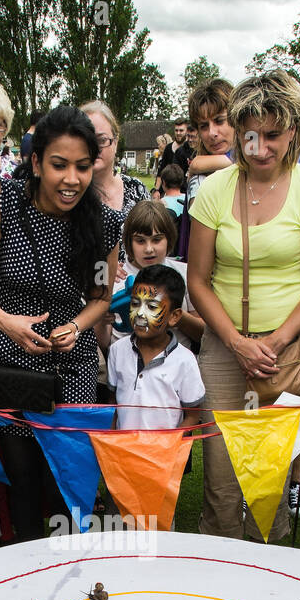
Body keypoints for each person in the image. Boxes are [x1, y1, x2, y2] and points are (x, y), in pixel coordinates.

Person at [0, 105, 121, 541]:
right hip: (10, 360)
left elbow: (101, 297)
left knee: (68, 480)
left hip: (73, 363)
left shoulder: (102, 220)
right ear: (36, 162)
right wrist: (4, 321)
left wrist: (78, 327)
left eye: (82, 167)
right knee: (23, 480)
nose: (71, 179)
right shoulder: (1, 200)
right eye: (59, 165)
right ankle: (26, 579)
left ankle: (70, 575)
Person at [187, 70, 300, 542]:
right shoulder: (214, 189)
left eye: (273, 134)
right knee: (221, 475)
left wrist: (276, 339)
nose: (259, 147)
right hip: (222, 347)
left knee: (270, 476)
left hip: (285, 349)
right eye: (250, 134)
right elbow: (197, 280)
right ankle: (216, 572)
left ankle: (268, 576)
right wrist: (235, 342)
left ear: (293, 130)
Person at [107, 263, 204, 432]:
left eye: (151, 307)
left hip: (164, 455)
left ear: (174, 316)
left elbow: (193, 415)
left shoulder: (185, 360)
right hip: (123, 452)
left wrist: (169, 446)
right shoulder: (117, 350)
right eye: (135, 303)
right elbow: (113, 404)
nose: (139, 314)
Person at [121, 201, 204, 347]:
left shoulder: (184, 273)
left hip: (178, 364)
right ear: (129, 242)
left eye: (156, 240)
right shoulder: (116, 277)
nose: (149, 249)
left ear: (169, 239)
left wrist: (172, 313)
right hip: (128, 365)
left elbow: (202, 334)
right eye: (140, 241)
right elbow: (104, 341)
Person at [79, 101, 147, 261]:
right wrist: (105, 268)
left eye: (101, 140)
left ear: (115, 142)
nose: (94, 148)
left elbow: (155, 239)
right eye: (86, 140)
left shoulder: (136, 189)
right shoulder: (69, 195)